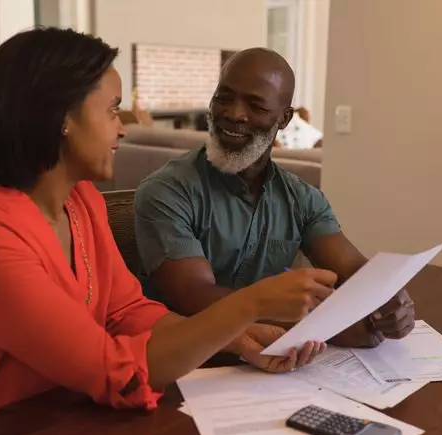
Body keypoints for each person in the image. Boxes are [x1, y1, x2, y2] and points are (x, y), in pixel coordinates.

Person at [0, 31, 336, 435]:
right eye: (112, 109)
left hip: (40, 434)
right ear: (61, 119)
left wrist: (238, 338)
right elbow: (113, 369)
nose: (122, 127)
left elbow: (127, 311)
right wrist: (249, 305)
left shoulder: (82, 202)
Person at [134, 48, 416, 355]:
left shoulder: (302, 198)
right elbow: (193, 296)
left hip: (271, 365)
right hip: (186, 364)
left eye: (255, 105)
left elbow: (354, 270)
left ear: (284, 119)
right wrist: (327, 327)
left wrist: (389, 300)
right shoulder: (167, 191)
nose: (234, 114)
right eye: (224, 97)